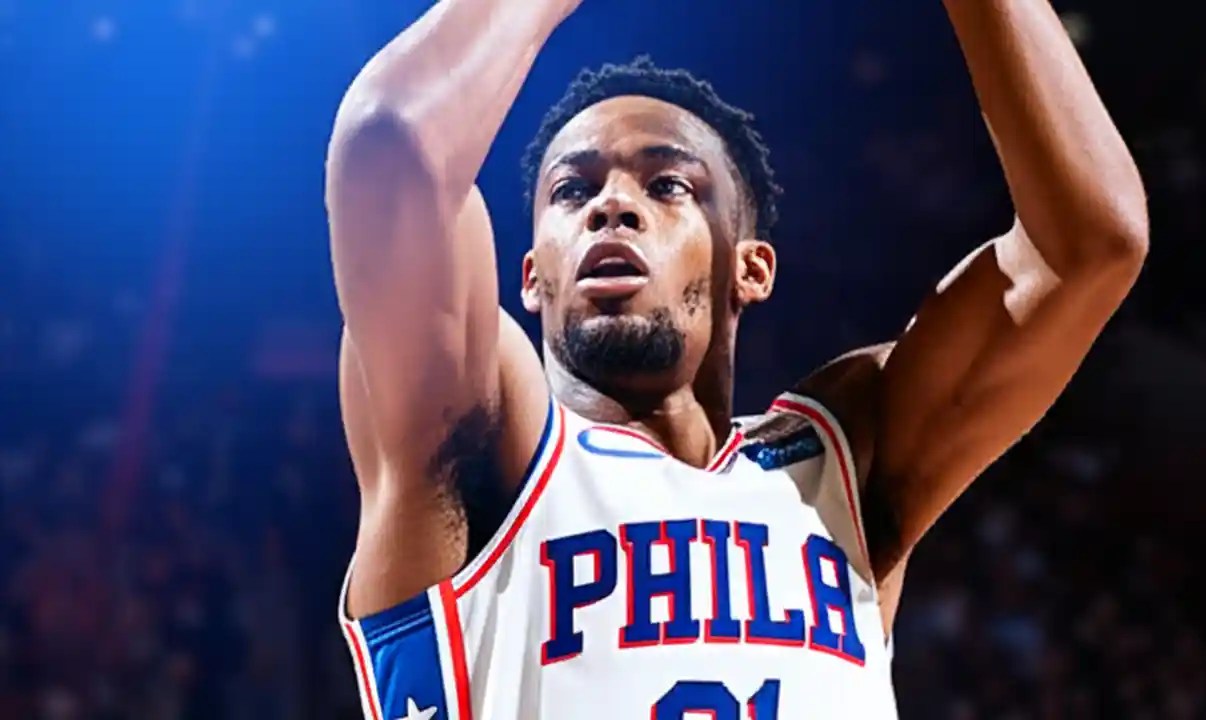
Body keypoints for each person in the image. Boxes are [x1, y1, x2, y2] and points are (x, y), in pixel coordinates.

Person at [324, 0, 1147, 718]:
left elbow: (1091, 245)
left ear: (749, 267)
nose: (613, 203)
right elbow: (390, 144)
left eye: (668, 185)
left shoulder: (837, 464)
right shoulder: (487, 441)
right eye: (573, 191)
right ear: (532, 277)